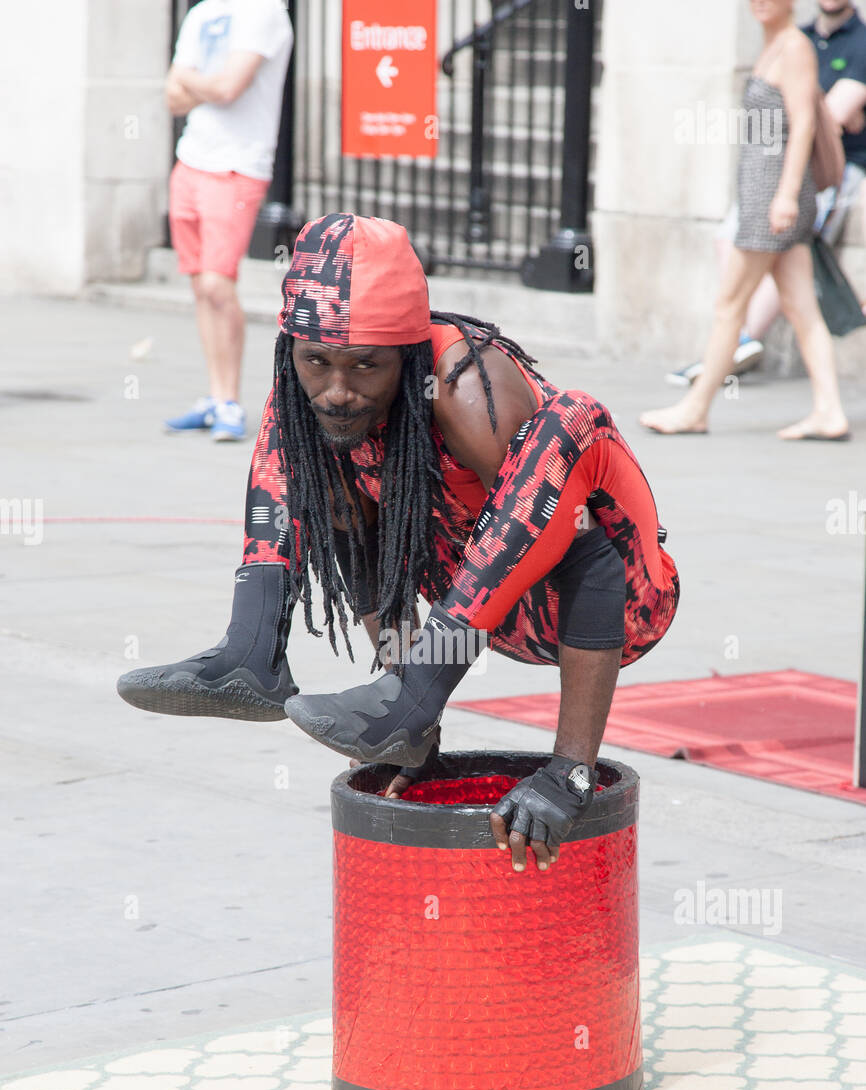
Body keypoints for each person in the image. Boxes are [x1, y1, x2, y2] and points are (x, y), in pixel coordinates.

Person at [118, 214, 680, 872]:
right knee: (303, 420)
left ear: (408, 356)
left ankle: (413, 696)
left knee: (570, 424)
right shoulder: (327, 393)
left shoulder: (469, 390)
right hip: (469, 610)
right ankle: (257, 647)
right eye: (316, 360)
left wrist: (569, 773)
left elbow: (592, 562)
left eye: (366, 367)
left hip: (610, 604)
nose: (339, 386)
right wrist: (412, 741)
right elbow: (365, 552)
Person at [642, 0, 850, 441]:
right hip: (767, 197)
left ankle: (695, 407)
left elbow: (805, 123)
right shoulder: (775, 44)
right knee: (801, 308)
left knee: (730, 306)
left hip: (771, 202)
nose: (759, 3)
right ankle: (829, 411)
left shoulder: (794, 47)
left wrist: (788, 195)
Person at [163, 0, 293, 442]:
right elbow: (171, 95)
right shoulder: (202, 12)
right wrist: (206, 85)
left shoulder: (265, 12)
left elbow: (229, 89)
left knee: (219, 284)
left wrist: (194, 82)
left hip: (237, 167)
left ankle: (230, 401)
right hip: (191, 161)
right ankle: (215, 396)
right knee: (201, 285)